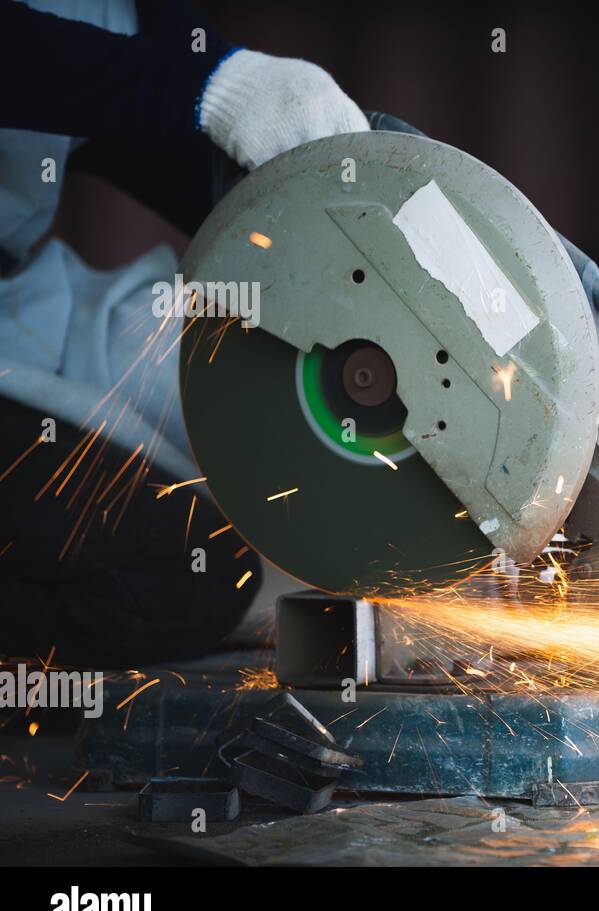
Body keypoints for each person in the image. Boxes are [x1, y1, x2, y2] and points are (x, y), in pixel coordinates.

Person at [0, 0, 370, 666]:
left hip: (20, 303)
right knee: (184, 576)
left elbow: (178, 143)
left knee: (260, 394)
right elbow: (149, 80)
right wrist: (212, 87)